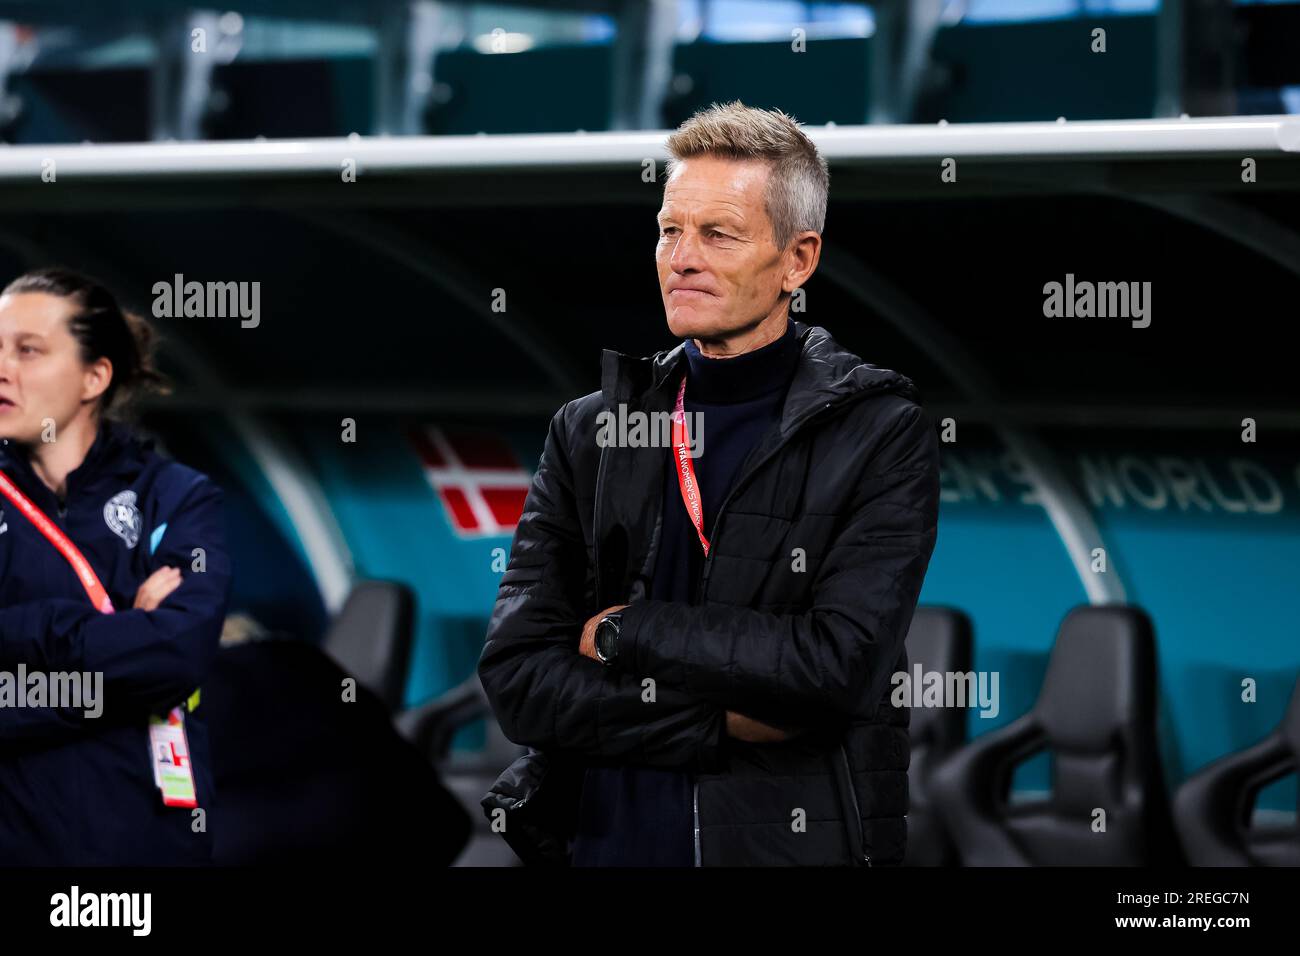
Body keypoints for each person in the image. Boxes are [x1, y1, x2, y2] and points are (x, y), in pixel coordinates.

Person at [478, 102, 941, 866]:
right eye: (669, 230)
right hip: (600, 843)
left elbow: (835, 669)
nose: (680, 257)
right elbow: (519, 678)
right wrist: (717, 718)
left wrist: (628, 631)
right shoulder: (590, 430)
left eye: (717, 234)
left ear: (798, 261)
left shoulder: (877, 431)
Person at [0, 267, 232, 865]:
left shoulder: (177, 496)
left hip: (143, 842)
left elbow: (175, 656)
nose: (2, 368)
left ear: (94, 376)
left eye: (28, 350)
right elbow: (149, 662)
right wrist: (118, 642)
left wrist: (19, 649)